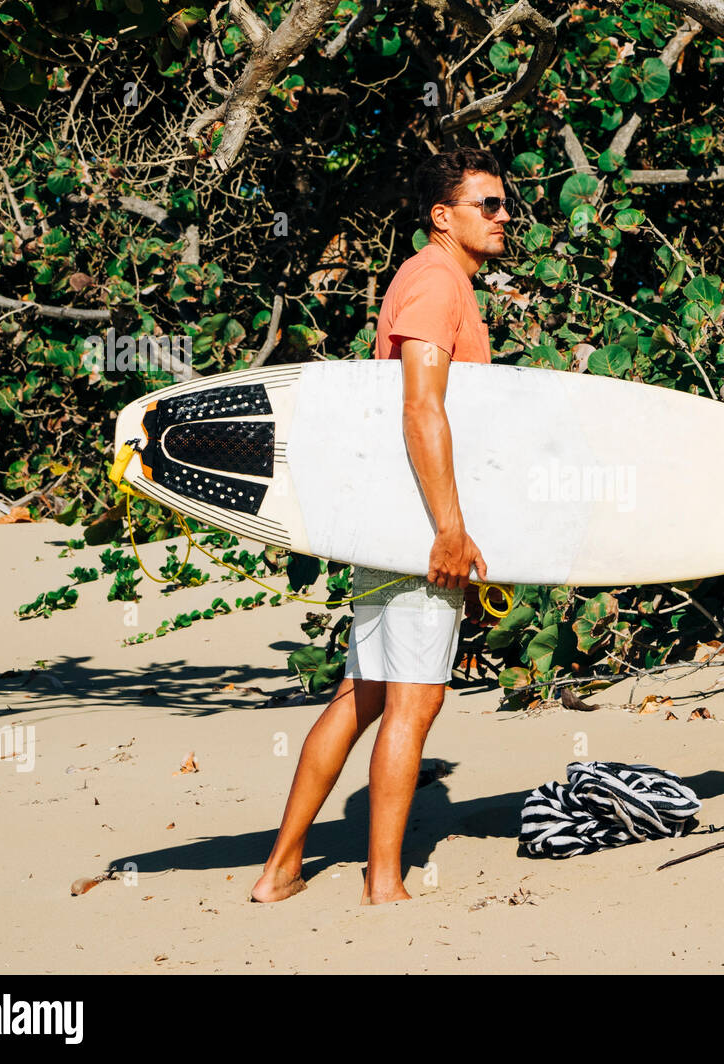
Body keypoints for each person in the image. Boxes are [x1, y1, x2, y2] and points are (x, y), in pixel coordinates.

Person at [251, 148, 512, 905]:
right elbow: (421, 406)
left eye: (504, 204)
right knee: (414, 701)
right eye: (488, 204)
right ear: (443, 216)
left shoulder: (426, 276)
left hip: (392, 519)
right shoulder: (437, 283)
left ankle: (281, 869)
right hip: (417, 527)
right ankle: (384, 882)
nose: (503, 217)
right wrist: (450, 531)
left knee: (364, 691)